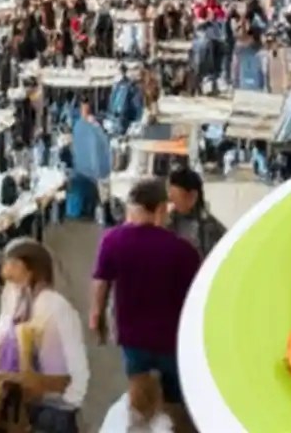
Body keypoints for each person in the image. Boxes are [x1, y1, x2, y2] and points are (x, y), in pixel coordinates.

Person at [91, 179, 202, 427]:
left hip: (133, 339)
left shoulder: (112, 240)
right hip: (172, 341)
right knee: (175, 403)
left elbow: (101, 282)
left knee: (139, 401)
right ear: (161, 209)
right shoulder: (183, 251)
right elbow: (196, 298)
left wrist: (96, 319)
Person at [0, 239, 89, 412]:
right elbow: (0, 334)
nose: (5, 272)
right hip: (10, 397)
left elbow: (75, 363)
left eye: (13, 264)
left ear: (32, 269)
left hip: (49, 400)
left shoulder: (56, 305)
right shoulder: (12, 295)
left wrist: (69, 403)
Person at [166, 168, 227, 258]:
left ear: (193, 196)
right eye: (171, 198)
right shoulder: (168, 222)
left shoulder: (211, 227)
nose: (172, 203)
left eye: (176, 198)